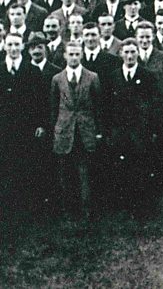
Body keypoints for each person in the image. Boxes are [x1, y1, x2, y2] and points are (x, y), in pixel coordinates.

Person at [100, 38, 161, 220]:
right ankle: (123, 207)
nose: (129, 56)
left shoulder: (148, 76)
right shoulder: (112, 77)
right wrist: (109, 131)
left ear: (138, 53)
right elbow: (106, 106)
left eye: (133, 52)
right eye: (126, 52)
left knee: (140, 169)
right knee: (120, 169)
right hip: (119, 132)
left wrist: (150, 130)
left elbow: (154, 105)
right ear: (120, 54)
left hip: (140, 132)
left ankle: (141, 208)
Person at [50, 41, 102, 219]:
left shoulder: (92, 77)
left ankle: (87, 210)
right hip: (65, 131)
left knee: (85, 172)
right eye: (70, 54)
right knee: (66, 173)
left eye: (77, 54)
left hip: (85, 131)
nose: (73, 57)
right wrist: (55, 130)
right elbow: (54, 108)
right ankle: (69, 211)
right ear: (65, 56)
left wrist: (98, 131)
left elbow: (98, 107)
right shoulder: (57, 79)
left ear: (81, 55)